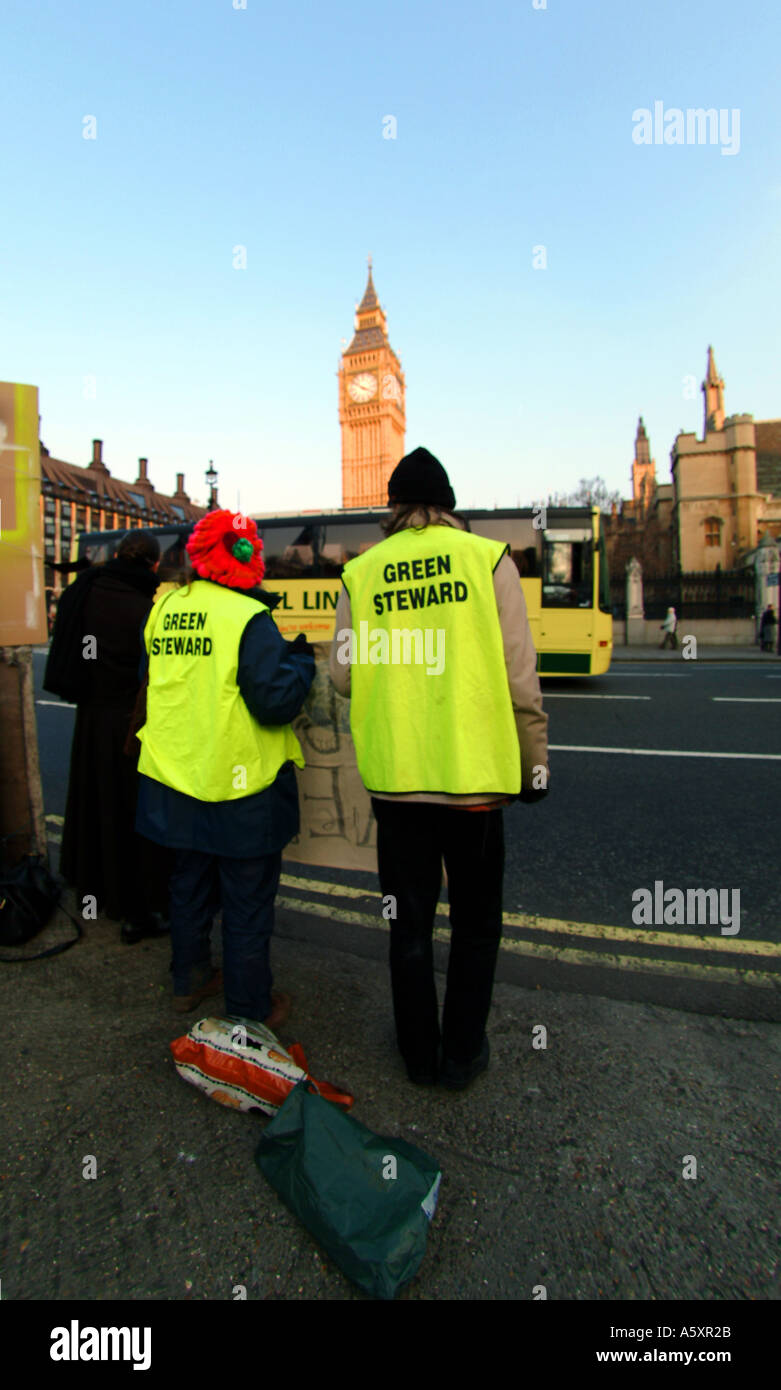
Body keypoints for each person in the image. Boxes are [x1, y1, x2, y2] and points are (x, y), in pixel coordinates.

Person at [328, 447, 549, 1090]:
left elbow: (341, 676)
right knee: (477, 926)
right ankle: (461, 1056)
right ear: (448, 504)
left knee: (409, 924)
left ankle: (418, 1055)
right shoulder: (487, 559)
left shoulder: (362, 572)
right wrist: (533, 766)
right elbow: (520, 677)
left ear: (393, 507)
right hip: (476, 784)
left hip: (397, 785)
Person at [135, 509, 315, 1022]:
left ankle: (187, 981)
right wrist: (300, 659)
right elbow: (276, 702)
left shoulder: (165, 607)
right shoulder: (246, 617)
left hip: (175, 776)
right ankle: (249, 1011)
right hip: (240, 786)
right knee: (246, 903)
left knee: (188, 886)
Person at [44, 531, 169, 942]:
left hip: (92, 713)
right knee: (131, 810)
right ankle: (134, 907)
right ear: (153, 565)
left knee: (95, 802)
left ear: (116, 555)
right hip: (130, 720)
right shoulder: (149, 608)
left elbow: (78, 649)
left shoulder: (87, 589)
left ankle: (91, 889)